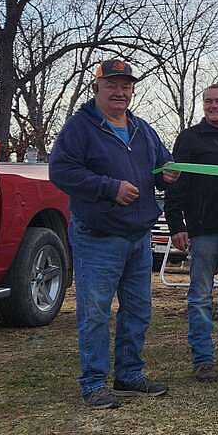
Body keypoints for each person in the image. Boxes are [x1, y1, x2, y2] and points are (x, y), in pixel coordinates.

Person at [50, 59, 179, 409]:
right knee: (95, 312)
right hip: (98, 237)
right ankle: (93, 383)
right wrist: (109, 188)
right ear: (97, 89)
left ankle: (129, 375)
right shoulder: (80, 128)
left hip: (139, 236)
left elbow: (160, 164)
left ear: (132, 90)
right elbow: (61, 171)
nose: (119, 92)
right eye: (112, 85)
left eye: (125, 85)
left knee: (138, 310)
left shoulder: (142, 129)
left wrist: (167, 173)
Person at [164, 84, 218, 382]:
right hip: (204, 231)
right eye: (207, 101)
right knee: (200, 297)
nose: (213, 106)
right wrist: (177, 225)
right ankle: (203, 359)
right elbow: (176, 183)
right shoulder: (190, 138)